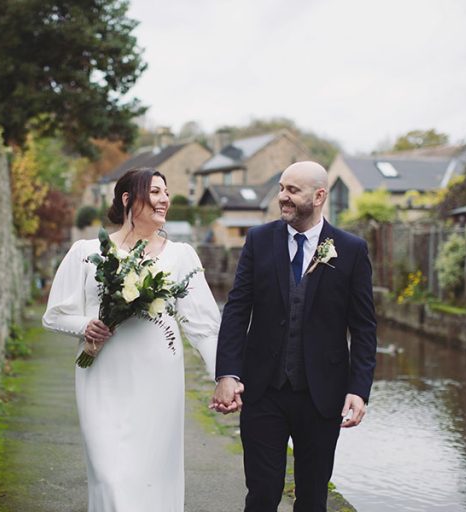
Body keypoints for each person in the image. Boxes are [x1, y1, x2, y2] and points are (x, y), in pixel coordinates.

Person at [43, 167, 219, 512]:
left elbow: (203, 326)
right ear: (127, 199)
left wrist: (223, 377)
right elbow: (53, 315)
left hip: (158, 382)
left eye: (166, 192)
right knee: (110, 477)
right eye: (155, 192)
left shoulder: (181, 256)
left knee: (154, 476)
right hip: (103, 376)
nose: (164, 199)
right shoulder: (86, 252)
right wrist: (86, 325)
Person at [211, 161, 377, 512]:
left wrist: (359, 390)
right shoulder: (258, 240)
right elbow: (237, 310)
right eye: (282, 189)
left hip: (322, 395)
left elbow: (363, 328)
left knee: (313, 498)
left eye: (292, 191)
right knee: (262, 493)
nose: (283, 197)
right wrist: (227, 373)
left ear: (319, 196)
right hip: (262, 391)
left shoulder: (350, 249)